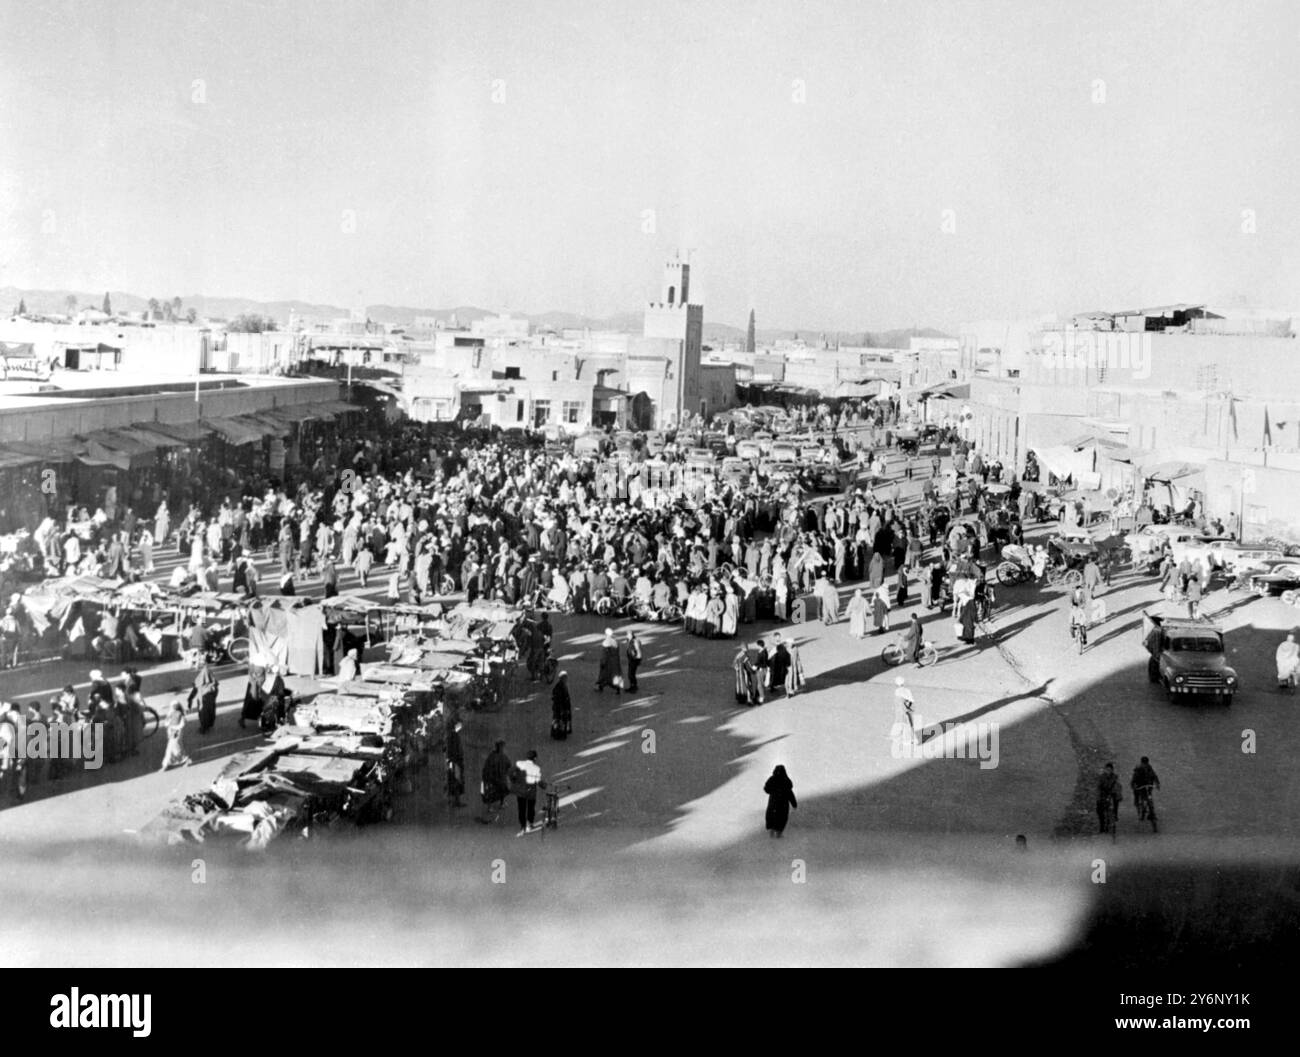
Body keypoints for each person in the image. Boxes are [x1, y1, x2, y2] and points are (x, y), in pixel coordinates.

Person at [511, 749, 544, 836]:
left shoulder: (519, 763)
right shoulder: (537, 768)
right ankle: (530, 824)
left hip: (521, 791)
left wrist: (514, 780)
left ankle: (522, 827)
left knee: (521, 809)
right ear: (535, 758)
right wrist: (544, 786)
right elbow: (538, 781)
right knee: (530, 808)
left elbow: (512, 771)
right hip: (531, 792)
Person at [480, 739, 512, 822]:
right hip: (497, 778)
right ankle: (496, 805)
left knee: (495, 791)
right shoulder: (500, 756)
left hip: (496, 778)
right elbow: (508, 764)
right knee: (498, 791)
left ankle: (496, 805)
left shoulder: (493, 756)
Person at [763, 764, 798, 838]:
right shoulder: (786, 781)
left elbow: (766, 789)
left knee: (772, 817)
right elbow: (790, 794)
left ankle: (771, 834)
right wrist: (794, 804)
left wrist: (773, 791)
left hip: (773, 803)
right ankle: (779, 834)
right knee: (781, 819)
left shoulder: (772, 779)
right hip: (783, 805)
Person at [159, 700, 193, 771]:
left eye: (173, 707)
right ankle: (167, 764)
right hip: (172, 733)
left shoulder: (179, 714)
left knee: (175, 748)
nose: (172, 708)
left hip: (177, 734)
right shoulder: (171, 713)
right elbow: (166, 723)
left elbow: (182, 724)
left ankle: (185, 760)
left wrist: (173, 727)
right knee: (172, 749)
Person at [189, 660, 219, 734]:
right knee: (211, 712)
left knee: (203, 713)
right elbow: (216, 691)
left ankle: (203, 728)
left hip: (202, 700)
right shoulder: (213, 684)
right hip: (210, 701)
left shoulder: (199, 680)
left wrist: (190, 699)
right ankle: (208, 726)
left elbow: (195, 689)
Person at [1130, 756, 1160, 820]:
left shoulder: (1149, 768)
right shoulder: (1139, 769)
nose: (1145, 764)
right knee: (1138, 797)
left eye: (1145, 763)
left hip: (1147, 786)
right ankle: (1140, 809)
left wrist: (1157, 783)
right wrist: (1133, 785)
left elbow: (1154, 776)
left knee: (1149, 798)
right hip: (1140, 786)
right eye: (1144, 763)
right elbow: (1134, 778)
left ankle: (1152, 813)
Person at [595, 628, 623, 694]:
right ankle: (617, 688)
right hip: (615, 661)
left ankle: (601, 687)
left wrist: (602, 662)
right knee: (615, 674)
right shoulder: (615, 641)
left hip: (608, 662)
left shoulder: (606, 642)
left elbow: (604, 654)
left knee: (604, 674)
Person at [1096, 762, 1122, 833]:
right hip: (1103, 794)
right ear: (1105, 770)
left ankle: (1115, 815)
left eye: (1110, 769)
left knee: (1115, 803)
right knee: (1100, 809)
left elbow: (1118, 786)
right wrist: (1099, 796)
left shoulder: (1115, 777)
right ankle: (1102, 825)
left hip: (1112, 794)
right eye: (1107, 769)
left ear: (1112, 770)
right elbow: (1098, 787)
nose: (1108, 771)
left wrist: (1118, 794)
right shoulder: (1101, 777)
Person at [445, 720, 466, 807]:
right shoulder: (455, 736)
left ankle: (452, 799)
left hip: (452, 761)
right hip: (456, 762)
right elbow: (457, 750)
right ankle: (456, 801)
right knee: (457, 780)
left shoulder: (450, 736)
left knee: (452, 779)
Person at [894, 675, 919, 744]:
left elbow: (898, 702)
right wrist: (909, 706)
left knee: (904, 724)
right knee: (910, 724)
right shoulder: (908, 690)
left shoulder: (897, 691)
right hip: (908, 709)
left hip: (902, 709)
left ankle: (907, 739)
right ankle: (913, 738)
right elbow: (912, 700)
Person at [551, 671, 572, 739]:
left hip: (561, 706)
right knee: (560, 720)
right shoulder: (560, 687)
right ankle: (559, 734)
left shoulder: (561, 686)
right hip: (561, 707)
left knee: (558, 720)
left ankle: (558, 733)